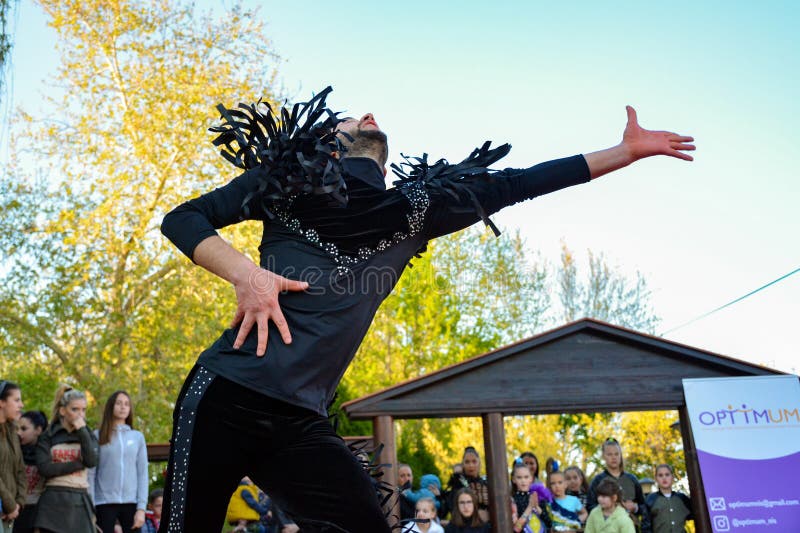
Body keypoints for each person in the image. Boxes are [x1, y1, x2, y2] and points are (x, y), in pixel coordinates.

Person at [158, 87, 694, 532]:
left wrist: (622, 154)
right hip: (225, 398)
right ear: (327, 143)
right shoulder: (286, 183)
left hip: (301, 421)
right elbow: (184, 218)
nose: (368, 113)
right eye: (351, 114)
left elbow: (517, 183)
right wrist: (246, 275)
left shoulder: (417, 209)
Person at [34, 386, 100, 533]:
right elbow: (45, 468)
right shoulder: (49, 435)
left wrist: (82, 431)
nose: (80, 415)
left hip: (80, 500)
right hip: (53, 500)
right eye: (75, 409)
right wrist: (77, 464)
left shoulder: (88, 435)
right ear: (63, 411)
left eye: (83, 410)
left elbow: (91, 461)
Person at [91, 390, 149, 533]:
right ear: (111, 406)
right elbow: (90, 474)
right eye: (118, 403)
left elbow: (142, 474)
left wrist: (141, 508)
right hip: (103, 504)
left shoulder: (137, 437)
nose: (123, 407)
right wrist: (90, 507)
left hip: (131, 504)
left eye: (127, 404)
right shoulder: (97, 436)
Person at [587, 438, 648, 530]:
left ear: (621, 455)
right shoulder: (598, 480)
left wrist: (635, 507)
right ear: (604, 456)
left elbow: (644, 506)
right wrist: (610, 507)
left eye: (616, 454)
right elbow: (590, 506)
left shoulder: (632, 479)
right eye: (609, 454)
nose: (613, 457)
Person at [15, 410, 48, 533]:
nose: (19, 433)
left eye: (24, 429)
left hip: (37, 511)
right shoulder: (15, 451)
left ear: (38, 430)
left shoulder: (46, 454)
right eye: (17, 428)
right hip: (15, 508)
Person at [0, 380, 25, 533]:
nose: (21, 405)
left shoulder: (12, 432)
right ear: (1, 402)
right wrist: (10, 504)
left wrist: (19, 503)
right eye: (16, 400)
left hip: (10, 512)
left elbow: (20, 469)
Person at [643, 464, 692, 533]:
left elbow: (697, 515)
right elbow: (646, 527)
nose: (664, 478)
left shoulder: (682, 498)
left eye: (667, 474)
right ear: (656, 478)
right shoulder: (651, 499)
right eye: (660, 475)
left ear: (672, 477)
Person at [447, 447, 490, 523]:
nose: (471, 465)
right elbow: (453, 507)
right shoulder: (458, 483)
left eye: (474, 462)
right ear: (463, 464)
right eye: (467, 462)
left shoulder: (486, 483)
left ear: (479, 463)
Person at [509, 462, 551, 533]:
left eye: (526, 477)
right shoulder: (513, 501)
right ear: (513, 479)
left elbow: (549, 524)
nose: (523, 480)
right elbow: (516, 529)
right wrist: (529, 508)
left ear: (531, 478)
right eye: (519, 477)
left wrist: (537, 507)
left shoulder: (537, 496)